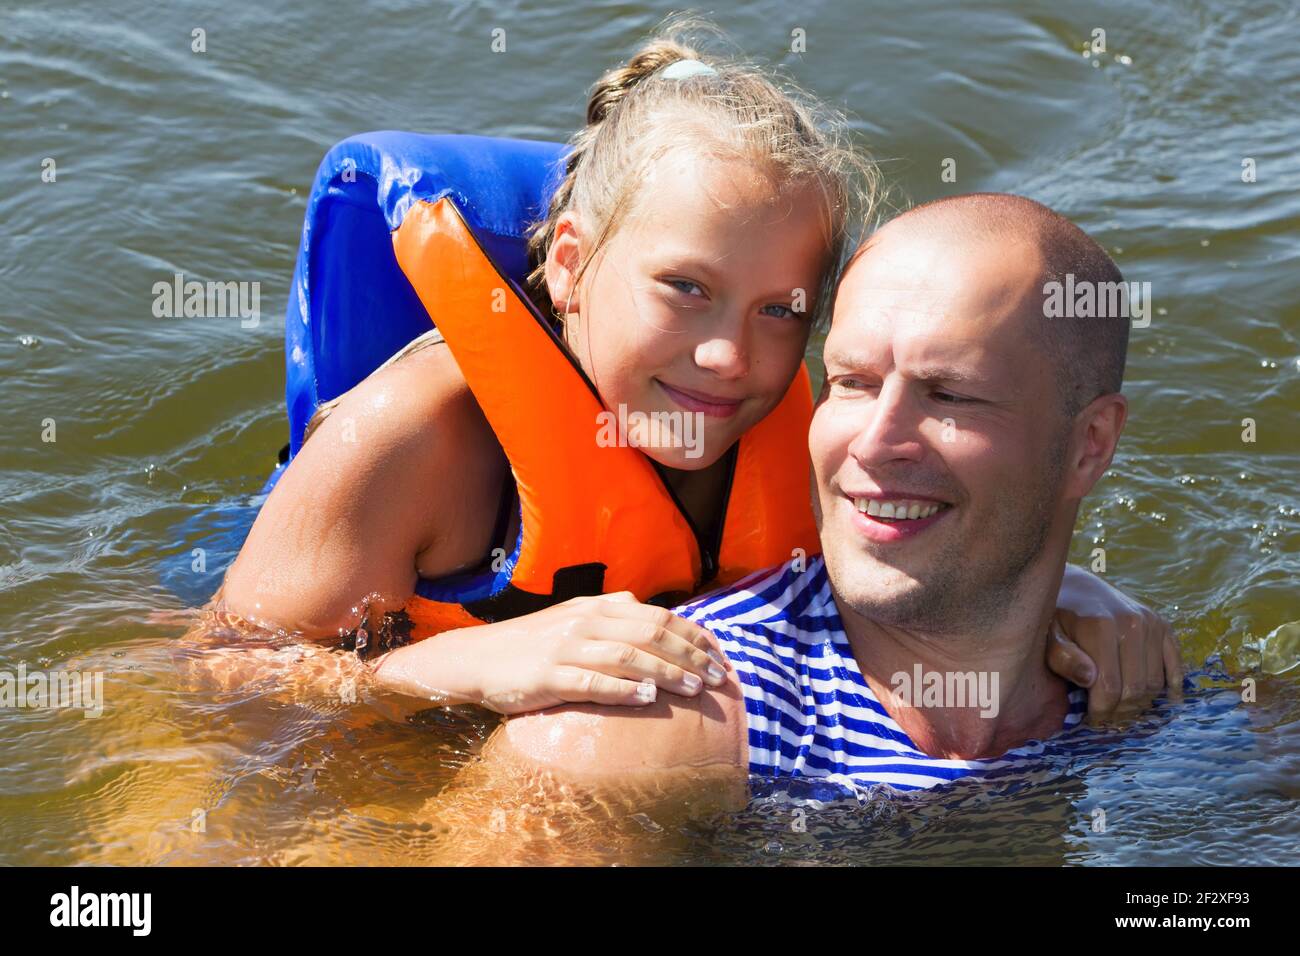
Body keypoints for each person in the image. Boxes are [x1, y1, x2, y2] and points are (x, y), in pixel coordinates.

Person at [208, 22, 1176, 721]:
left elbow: (940, 535)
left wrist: (1074, 600)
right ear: (574, 265)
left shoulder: (814, 419)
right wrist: (461, 664)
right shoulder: (422, 435)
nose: (728, 356)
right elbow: (206, 683)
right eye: (683, 288)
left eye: (779, 312)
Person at [485, 193, 1184, 797]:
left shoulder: (1155, 709)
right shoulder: (641, 735)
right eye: (852, 383)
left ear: (1089, 445)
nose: (876, 443)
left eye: (949, 395)